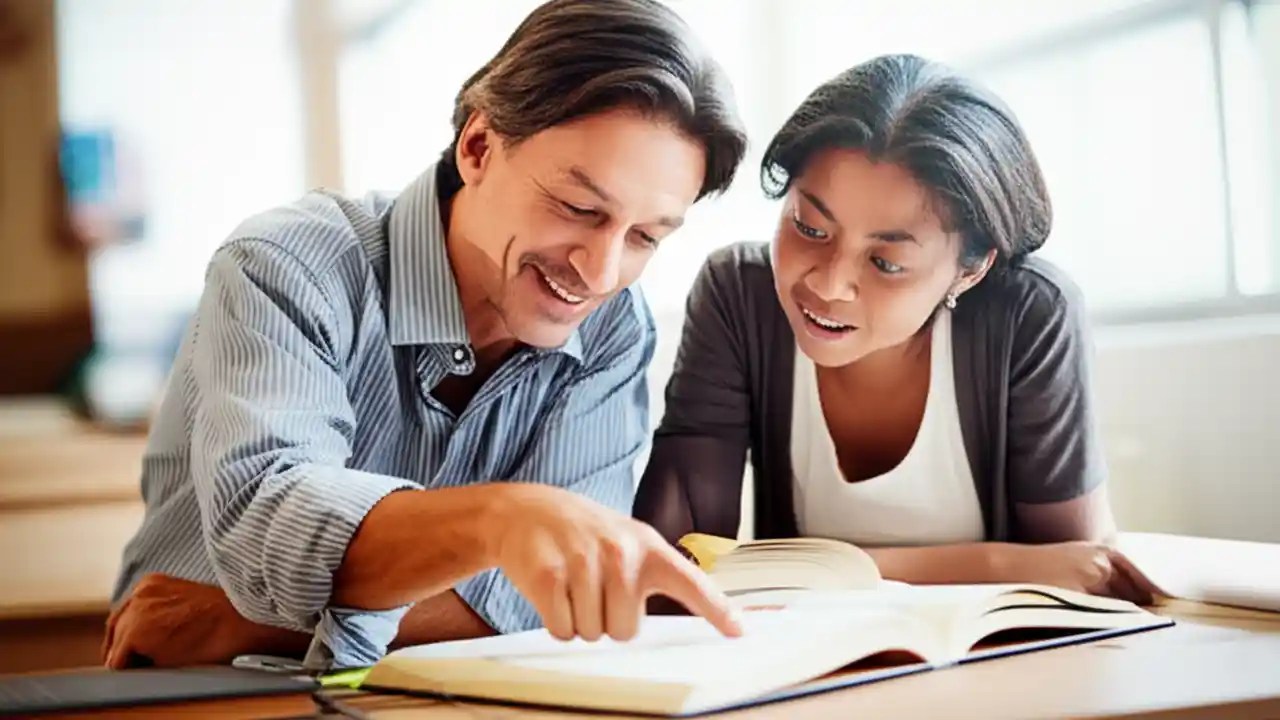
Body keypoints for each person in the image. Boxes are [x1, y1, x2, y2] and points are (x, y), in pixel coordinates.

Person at [104, 0, 748, 671]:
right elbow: (270, 535)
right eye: (578, 208)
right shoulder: (287, 263)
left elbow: (542, 604)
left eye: (645, 236)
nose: (602, 270)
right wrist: (504, 523)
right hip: (197, 694)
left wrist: (251, 626)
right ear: (477, 147)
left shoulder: (614, 326)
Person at [634, 54, 1159, 604]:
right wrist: (999, 562)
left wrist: (818, 569)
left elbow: (1077, 578)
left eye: (886, 263)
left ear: (971, 267)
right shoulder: (739, 295)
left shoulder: (1030, 316)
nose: (831, 284)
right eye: (809, 227)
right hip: (805, 667)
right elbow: (680, 564)